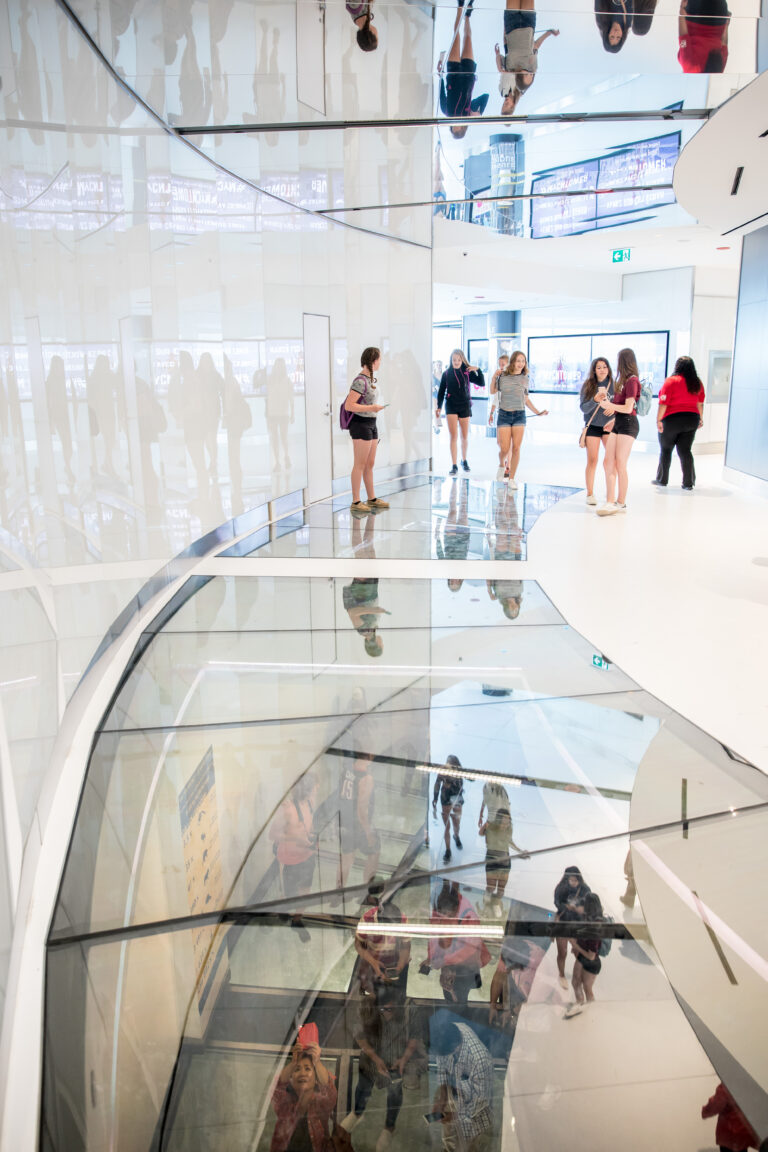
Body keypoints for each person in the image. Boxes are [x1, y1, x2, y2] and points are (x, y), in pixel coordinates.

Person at [341, 988, 427, 1147]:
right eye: (382, 1009)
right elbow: (359, 1035)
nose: (387, 1013)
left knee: (394, 1090)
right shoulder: (367, 1006)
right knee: (363, 1085)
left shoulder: (409, 1007)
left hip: (397, 1056)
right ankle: (357, 1113)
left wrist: (404, 1059)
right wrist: (374, 1057)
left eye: (390, 1009)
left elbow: (415, 1036)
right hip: (371, 1054)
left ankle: (389, 1127)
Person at [430, 1012, 493, 1151]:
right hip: (455, 1089)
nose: (442, 1058)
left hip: (474, 1108)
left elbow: (481, 1100)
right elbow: (442, 1069)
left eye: (446, 1054)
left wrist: (456, 1115)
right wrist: (442, 1099)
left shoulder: (480, 1060)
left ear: (455, 1047)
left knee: (468, 1145)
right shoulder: (445, 1035)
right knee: (448, 1138)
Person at [420, 881, 490, 1005]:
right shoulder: (440, 905)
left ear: (455, 908)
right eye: (441, 915)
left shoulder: (469, 916)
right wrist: (431, 957)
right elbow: (434, 934)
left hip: (466, 965)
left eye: (448, 915)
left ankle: (459, 1014)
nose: (443, 918)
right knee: (448, 992)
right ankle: (451, 1011)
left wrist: (444, 961)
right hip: (448, 961)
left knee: (459, 998)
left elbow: (469, 950)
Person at [488, 350, 548, 490]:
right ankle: (501, 464)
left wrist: (538, 412)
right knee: (504, 448)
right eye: (518, 360)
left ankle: (512, 478)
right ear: (513, 362)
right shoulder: (502, 376)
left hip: (519, 415)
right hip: (504, 415)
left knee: (516, 448)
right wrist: (493, 378)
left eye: (523, 361)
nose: (521, 363)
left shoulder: (524, 379)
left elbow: (526, 399)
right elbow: (492, 391)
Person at [269, 773, 317, 943]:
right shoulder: (287, 808)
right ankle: (284, 909)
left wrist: (311, 837)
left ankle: (297, 920)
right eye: (313, 788)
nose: (315, 790)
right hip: (291, 860)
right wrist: (295, 838)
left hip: (308, 856)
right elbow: (272, 834)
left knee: (305, 892)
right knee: (290, 895)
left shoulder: (310, 803)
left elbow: (309, 826)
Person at [596, 347, 641, 516]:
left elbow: (629, 407)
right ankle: (610, 500)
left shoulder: (632, 381)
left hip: (629, 424)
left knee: (620, 462)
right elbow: (622, 407)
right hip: (619, 423)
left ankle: (621, 501)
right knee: (608, 461)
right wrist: (613, 417)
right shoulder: (622, 381)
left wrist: (610, 406)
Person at [344, 347, 389, 515]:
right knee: (360, 464)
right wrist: (373, 407)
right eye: (378, 360)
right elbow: (350, 405)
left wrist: (374, 409)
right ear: (372, 361)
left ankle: (372, 498)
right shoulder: (360, 381)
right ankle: (356, 501)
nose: (380, 363)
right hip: (360, 424)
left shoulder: (370, 379)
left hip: (371, 422)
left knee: (370, 464)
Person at [270, 1041, 336, 1152]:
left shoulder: (321, 1104)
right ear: (291, 1079)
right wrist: (293, 1063)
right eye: (297, 1069)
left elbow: (328, 1089)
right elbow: (276, 1087)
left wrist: (317, 1061)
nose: (302, 1073)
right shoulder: (285, 1105)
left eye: (307, 1068)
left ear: (316, 1080)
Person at [496, 0, 559, 116]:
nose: (505, 103)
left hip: (511, 25)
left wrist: (500, 63)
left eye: (503, 105)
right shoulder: (524, 85)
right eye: (507, 106)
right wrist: (549, 32)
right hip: (528, 23)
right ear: (513, 106)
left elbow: (503, 54)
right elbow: (535, 46)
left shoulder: (504, 89)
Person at [652, 355, 705, 490]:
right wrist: (701, 418)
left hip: (671, 420)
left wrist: (659, 419)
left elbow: (663, 402)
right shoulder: (697, 382)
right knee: (685, 451)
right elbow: (700, 403)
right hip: (691, 419)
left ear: (677, 367)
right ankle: (688, 483)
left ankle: (662, 480)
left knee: (666, 449)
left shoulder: (671, 381)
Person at [438, 0, 489, 140]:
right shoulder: (468, 113)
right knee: (468, 38)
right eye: (459, 125)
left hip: (453, 74)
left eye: (453, 125)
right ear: (464, 125)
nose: (456, 121)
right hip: (468, 74)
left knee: (456, 36)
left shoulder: (446, 111)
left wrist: (440, 76)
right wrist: (478, 113)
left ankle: (460, 7)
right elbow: (485, 96)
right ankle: (467, 16)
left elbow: (441, 93)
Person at [436, 350, 484, 475]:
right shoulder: (446, 374)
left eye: (458, 359)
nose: (456, 362)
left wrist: (478, 370)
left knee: (464, 436)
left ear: (462, 360)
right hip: (451, 406)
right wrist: (439, 407)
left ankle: (464, 460)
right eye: (454, 360)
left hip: (465, 406)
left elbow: (481, 383)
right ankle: (454, 464)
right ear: (451, 360)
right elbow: (441, 392)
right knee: (453, 436)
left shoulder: (467, 373)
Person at [337, 753, 380, 891]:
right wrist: (368, 833)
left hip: (345, 823)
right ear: (368, 757)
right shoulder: (366, 778)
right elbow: (362, 809)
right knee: (374, 853)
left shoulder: (346, 772)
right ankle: (368, 892)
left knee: (346, 859)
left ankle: (338, 892)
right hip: (359, 826)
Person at [354, 897, 411, 997]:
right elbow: (358, 944)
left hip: (394, 958)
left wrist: (400, 966)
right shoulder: (368, 919)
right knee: (370, 993)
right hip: (371, 957)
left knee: (395, 995)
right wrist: (373, 963)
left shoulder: (402, 919)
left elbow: (406, 946)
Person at [479, 806, 529, 916]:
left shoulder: (509, 828)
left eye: (507, 822)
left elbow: (510, 841)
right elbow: (481, 833)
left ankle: (496, 904)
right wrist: (485, 825)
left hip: (505, 862)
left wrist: (520, 851)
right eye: (503, 822)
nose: (505, 825)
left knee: (501, 889)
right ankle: (486, 905)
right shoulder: (491, 826)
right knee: (491, 887)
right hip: (492, 860)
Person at [579, 357, 615, 506]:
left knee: (611, 461)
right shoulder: (588, 385)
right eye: (599, 367)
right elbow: (583, 408)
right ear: (594, 370)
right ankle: (590, 493)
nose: (602, 370)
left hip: (610, 426)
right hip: (592, 425)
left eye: (605, 367)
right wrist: (594, 400)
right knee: (592, 460)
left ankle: (611, 492)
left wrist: (614, 412)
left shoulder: (615, 385)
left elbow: (624, 405)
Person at [564, 891, 605, 1017]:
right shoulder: (588, 918)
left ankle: (590, 1012)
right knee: (576, 982)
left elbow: (591, 956)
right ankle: (579, 1004)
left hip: (591, 962)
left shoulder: (596, 927)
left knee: (587, 988)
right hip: (582, 958)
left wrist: (576, 946)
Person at [553, 865, 590, 989]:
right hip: (563, 922)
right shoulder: (561, 888)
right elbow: (557, 902)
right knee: (562, 952)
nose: (574, 883)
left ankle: (580, 975)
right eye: (571, 880)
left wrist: (580, 909)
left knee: (579, 952)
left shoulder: (585, 889)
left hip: (578, 925)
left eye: (576, 880)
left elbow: (589, 905)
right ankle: (561, 974)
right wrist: (566, 907)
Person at [701, 1082, 758, 1152]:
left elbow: (715, 1105)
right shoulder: (748, 1084)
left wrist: (705, 1112)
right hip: (744, 1131)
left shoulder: (727, 1086)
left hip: (730, 1134)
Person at [342, 576, 388, 657]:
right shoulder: (371, 630)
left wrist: (374, 610)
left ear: (377, 645)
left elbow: (352, 613)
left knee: (365, 570)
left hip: (363, 594)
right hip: (368, 594)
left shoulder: (364, 631)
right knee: (370, 570)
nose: (383, 643)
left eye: (382, 645)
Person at [678, 0, 730, 72]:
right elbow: (683, 37)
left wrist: (726, 23)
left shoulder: (717, 72)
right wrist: (682, 9)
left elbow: (724, 43)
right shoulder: (689, 68)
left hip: (719, 18)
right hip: (696, 16)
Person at [433, 755, 465, 863]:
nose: (449, 766)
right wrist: (435, 798)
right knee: (447, 826)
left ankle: (456, 836)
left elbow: (471, 779)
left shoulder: (459, 771)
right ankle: (448, 850)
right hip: (445, 799)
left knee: (456, 824)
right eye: (448, 763)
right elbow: (437, 784)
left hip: (456, 799)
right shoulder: (443, 770)